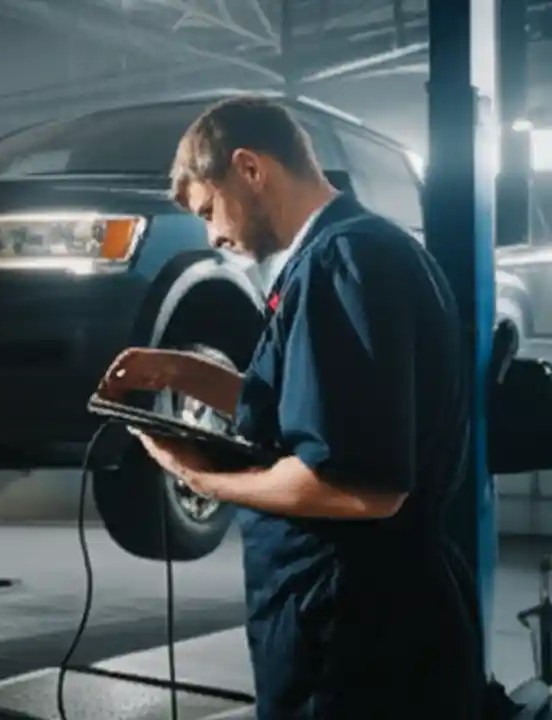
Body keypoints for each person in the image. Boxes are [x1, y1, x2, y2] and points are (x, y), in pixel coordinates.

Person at [98, 96, 484, 718]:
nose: (213, 236)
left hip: (355, 632)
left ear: (250, 169)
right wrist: (178, 370)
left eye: (208, 211)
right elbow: (303, 406)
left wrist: (205, 479)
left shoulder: (342, 263)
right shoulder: (343, 254)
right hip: (351, 616)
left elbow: (361, 488)